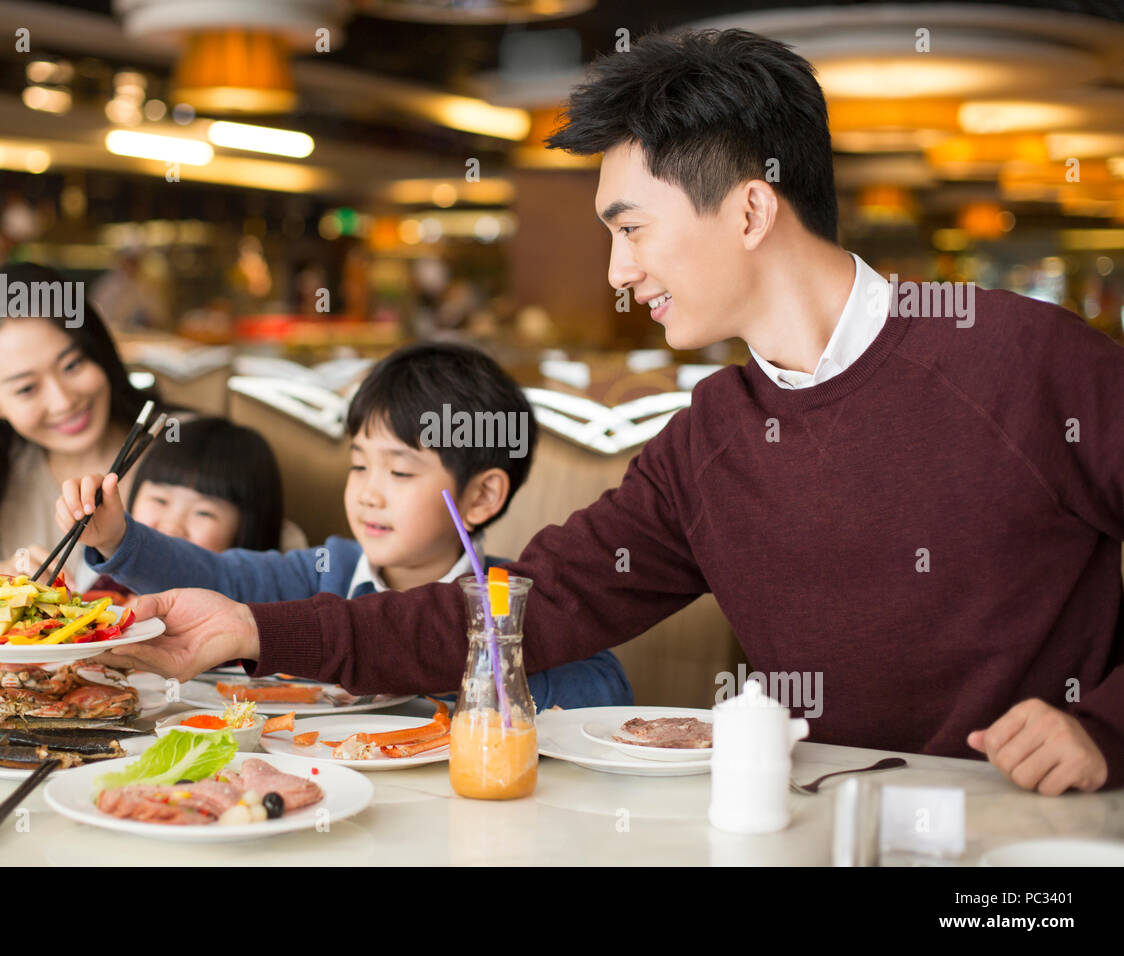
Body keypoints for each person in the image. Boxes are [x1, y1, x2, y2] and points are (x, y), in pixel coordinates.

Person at [94, 29, 1124, 795]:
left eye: (630, 228)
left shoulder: (1024, 362)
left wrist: (1106, 725)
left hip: (1032, 834)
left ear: (752, 208)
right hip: (810, 820)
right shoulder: (709, 438)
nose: (618, 271)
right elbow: (514, 611)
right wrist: (248, 626)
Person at [58, 343, 633, 711]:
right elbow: (216, 575)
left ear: (481, 495)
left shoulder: (508, 600)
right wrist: (118, 539)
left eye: (400, 470)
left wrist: (457, 672)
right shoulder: (322, 570)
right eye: (360, 464)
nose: (369, 491)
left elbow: (607, 688)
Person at [0, 261, 155, 595]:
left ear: (99, 351)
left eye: (72, 365)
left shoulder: (184, 448)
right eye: (26, 388)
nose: (63, 401)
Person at [82, 417, 302, 601]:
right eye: (160, 500)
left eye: (204, 513)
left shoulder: (254, 610)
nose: (172, 526)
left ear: (247, 530)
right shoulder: (110, 584)